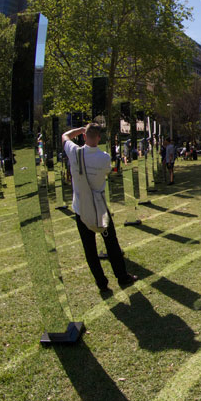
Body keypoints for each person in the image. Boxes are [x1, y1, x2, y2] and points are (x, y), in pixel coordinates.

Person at [62, 124, 137, 293]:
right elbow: (106, 173)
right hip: (100, 207)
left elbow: (65, 136)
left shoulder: (74, 152)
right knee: (111, 244)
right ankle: (122, 276)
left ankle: (101, 283)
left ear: (84, 136)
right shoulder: (104, 158)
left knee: (90, 249)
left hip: (81, 208)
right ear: (98, 138)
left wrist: (79, 130)